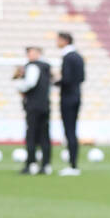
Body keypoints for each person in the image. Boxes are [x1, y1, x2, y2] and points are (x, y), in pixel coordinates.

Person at [14, 46, 51, 175]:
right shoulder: (46, 67)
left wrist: (18, 84)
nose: (28, 56)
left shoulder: (32, 66)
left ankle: (31, 164)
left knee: (31, 135)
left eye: (30, 53)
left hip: (34, 105)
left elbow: (30, 83)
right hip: (45, 105)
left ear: (38, 53)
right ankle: (46, 165)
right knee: (44, 136)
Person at [55, 32, 85, 176]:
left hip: (67, 97)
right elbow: (82, 77)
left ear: (65, 40)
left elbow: (66, 79)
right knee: (73, 130)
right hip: (77, 95)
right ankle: (73, 164)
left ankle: (72, 166)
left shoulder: (67, 57)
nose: (56, 42)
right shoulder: (78, 56)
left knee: (69, 131)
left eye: (58, 40)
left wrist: (55, 81)